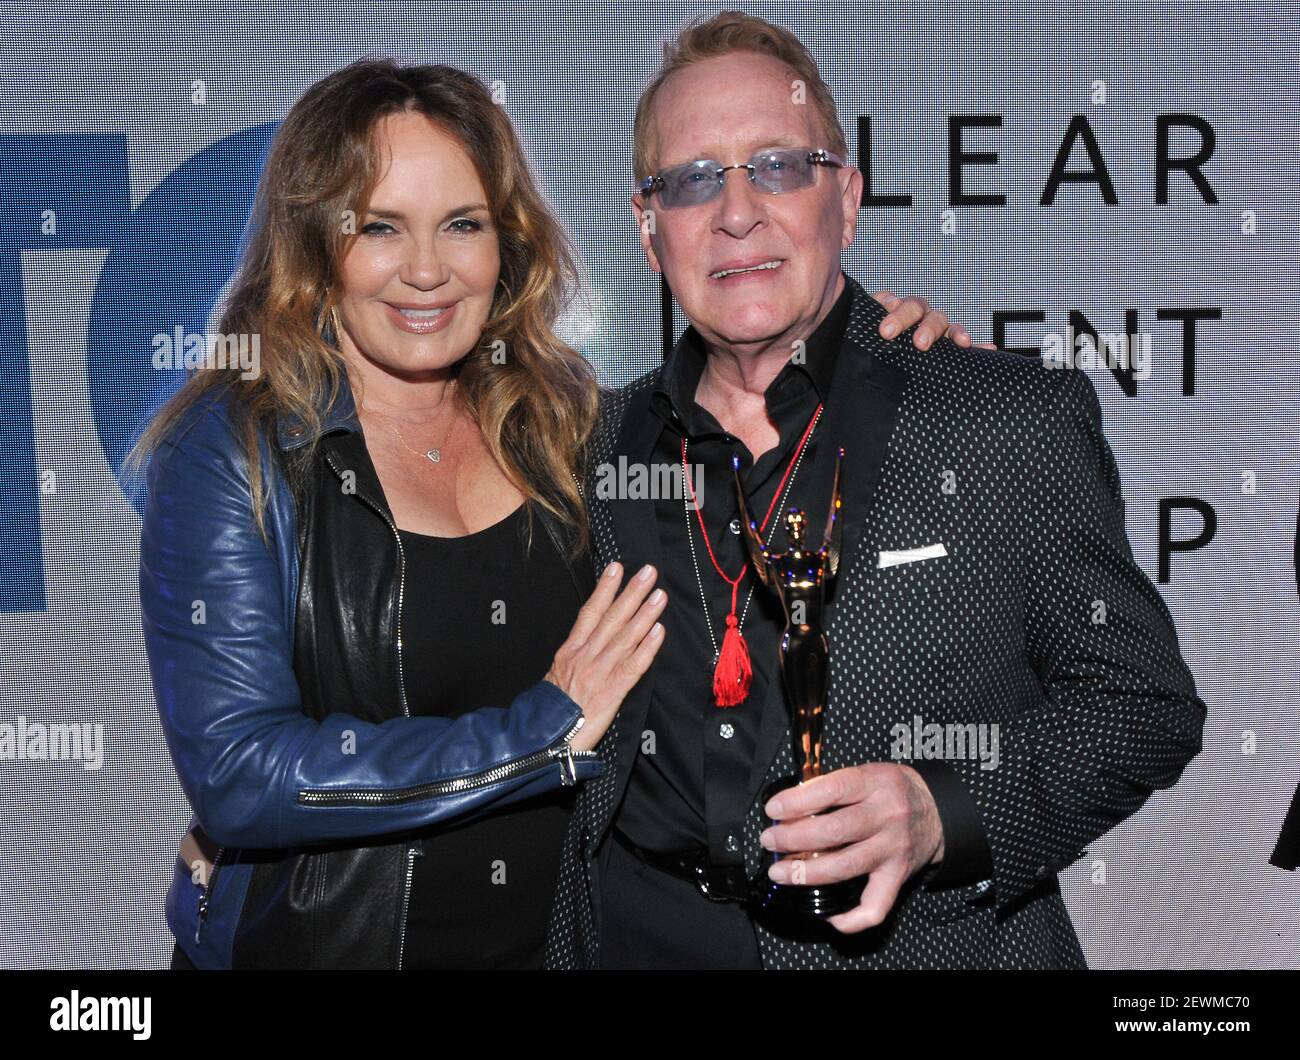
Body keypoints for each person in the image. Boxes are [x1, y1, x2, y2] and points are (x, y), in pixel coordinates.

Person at [132, 56, 963, 969]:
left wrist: (894, 361)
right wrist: (540, 733)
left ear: (506, 242)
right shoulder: (236, 450)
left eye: (461, 224)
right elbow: (241, 774)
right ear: (314, 248)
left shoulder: (563, 421)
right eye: (379, 227)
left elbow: (761, 419)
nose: (425, 270)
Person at [546, 11, 1207, 970]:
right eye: (692, 181)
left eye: (778, 165)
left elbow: (1143, 706)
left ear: (846, 199)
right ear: (649, 232)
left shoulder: (1002, 418)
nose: (737, 212)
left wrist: (946, 814)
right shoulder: (588, 447)